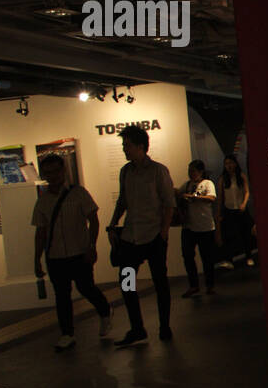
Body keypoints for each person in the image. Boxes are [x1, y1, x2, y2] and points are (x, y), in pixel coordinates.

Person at [32, 153, 113, 350]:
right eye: (48, 172)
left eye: (55, 171)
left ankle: (105, 311)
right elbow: (40, 231)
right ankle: (67, 333)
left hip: (79, 252)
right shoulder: (42, 201)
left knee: (86, 288)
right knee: (62, 295)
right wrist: (37, 259)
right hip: (55, 255)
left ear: (63, 172)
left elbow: (93, 219)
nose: (52, 176)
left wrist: (92, 246)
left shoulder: (78, 193)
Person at [107, 125, 175, 346]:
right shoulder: (125, 171)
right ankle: (137, 328)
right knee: (127, 283)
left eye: (127, 145)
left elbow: (168, 203)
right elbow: (122, 201)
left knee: (160, 282)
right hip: (130, 237)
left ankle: (164, 326)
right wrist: (112, 223)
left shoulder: (158, 170)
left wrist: (163, 232)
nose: (124, 149)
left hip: (153, 236)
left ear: (140, 146)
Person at [177, 160, 218, 298]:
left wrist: (195, 198)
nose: (190, 173)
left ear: (200, 171)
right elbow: (178, 193)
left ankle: (210, 285)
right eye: (189, 170)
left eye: (193, 170)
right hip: (189, 227)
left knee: (207, 258)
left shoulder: (207, 183)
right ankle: (194, 285)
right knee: (188, 256)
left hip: (205, 227)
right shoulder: (187, 185)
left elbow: (212, 198)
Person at [216, 154, 254, 269]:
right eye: (226, 164)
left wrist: (244, 203)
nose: (229, 166)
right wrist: (219, 212)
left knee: (246, 233)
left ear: (235, 164)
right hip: (229, 209)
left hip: (241, 209)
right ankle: (229, 260)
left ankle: (249, 256)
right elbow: (221, 197)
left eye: (231, 163)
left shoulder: (241, 176)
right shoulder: (223, 179)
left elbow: (247, 191)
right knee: (229, 235)